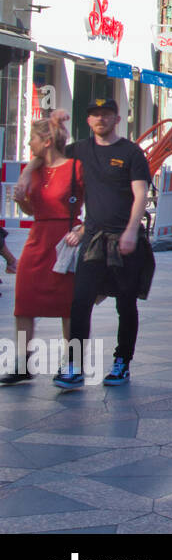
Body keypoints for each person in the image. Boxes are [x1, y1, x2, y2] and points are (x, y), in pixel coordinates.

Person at [49, 100, 154, 389]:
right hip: (93, 239)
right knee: (80, 302)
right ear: (88, 120)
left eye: (105, 115)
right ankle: (74, 365)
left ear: (117, 118)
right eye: (94, 114)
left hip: (124, 239)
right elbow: (52, 155)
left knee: (126, 303)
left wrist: (132, 231)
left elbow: (141, 194)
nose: (99, 119)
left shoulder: (130, 152)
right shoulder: (82, 149)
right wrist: (56, 124)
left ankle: (122, 362)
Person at [1, 114, 82, 385]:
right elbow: (33, 209)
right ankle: (22, 363)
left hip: (64, 240)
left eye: (32, 139)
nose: (27, 144)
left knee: (67, 305)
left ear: (46, 141)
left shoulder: (75, 168)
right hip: (37, 238)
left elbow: (94, 202)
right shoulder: (33, 171)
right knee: (24, 302)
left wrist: (82, 230)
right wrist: (22, 201)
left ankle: (71, 362)